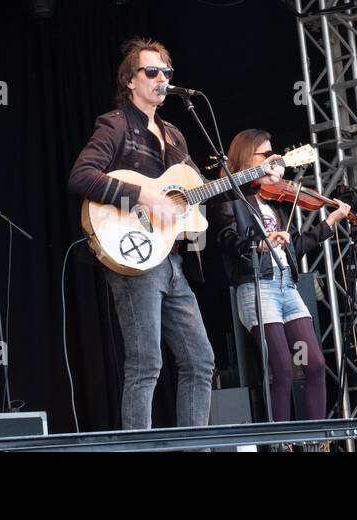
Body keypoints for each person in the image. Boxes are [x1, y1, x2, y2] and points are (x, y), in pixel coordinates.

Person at [67, 38, 281, 429]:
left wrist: (254, 180)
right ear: (130, 81)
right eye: (152, 72)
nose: (162, 79)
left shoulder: (176, 135)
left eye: (166, 72)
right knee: (146, 363)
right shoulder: (116, 125)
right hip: (133, 256)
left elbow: (204, 196)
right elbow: (82, 177)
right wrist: (142, 194)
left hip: (172, 261)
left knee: (201, 361)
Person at [211, 129, 352, 422]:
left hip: (287, 287)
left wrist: (330, 222)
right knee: (282, 370)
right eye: (266, 155)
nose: (274, 161)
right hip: (257, 288)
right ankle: (282, 443)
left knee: (314, 364)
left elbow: (295, 246)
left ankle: (315, 441)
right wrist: (260, 244)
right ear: (247, 157)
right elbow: (227, 239)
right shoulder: (229, 196)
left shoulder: (274, 202)